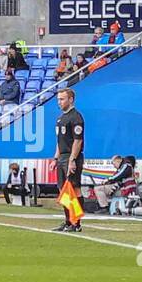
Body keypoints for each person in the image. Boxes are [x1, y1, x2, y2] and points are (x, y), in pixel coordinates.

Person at [53, 87, 84, 232]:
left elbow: (77, 141)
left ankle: (76, 223)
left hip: (72, 157)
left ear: (70, 99)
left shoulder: (76, 117)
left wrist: (72, 160)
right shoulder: (60, 118)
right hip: (62, 157)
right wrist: (55, 158)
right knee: (63, 190)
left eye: (62, 99)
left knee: (73, 188)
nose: (59, 102)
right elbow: (60, 141)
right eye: (58, 99)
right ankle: (68, 221)